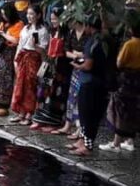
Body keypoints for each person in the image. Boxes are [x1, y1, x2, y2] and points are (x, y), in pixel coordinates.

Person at [70, 15, 109, 156]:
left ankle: (87, 146)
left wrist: (76, 65)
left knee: (87, 115)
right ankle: (83, 142)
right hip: (100, 82)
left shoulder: (92, 41)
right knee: (91, 115)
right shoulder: (104, 40)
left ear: (90, 26)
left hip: (89, 82)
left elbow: (88, 65)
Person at [101, 16, 140, 152]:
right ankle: (130, 140)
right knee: (132, 110)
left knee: (120, 110)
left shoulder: (130, 44)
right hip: (138, 80)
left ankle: (116, 143)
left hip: (127, 79)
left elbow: (119, 62)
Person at [30, 8, 71, 130]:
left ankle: (52, 122)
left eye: (55, 19)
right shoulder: (52, 32)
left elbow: (66, 51)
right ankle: (39, 119)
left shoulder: (67, 34)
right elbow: (46, 51)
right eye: (52, 19)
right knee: (42, 92)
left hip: (60, 67)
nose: (53, 21)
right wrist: (37, 48)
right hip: (48, 65)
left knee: (55, 94)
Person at [10, 4, 49, 125]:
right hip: (23, 57)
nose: (29, 16)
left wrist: (36, 46)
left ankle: (29, 113)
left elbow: (44, 50)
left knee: (31, 86)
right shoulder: (25, 29)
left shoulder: (42, 30)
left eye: (32, 14)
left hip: (34, 59)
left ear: (38, 15)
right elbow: (20, 45)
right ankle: (21, 112)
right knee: (20, 85)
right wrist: (16, 60)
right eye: (28, 14)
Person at [52, 19, 88, 137]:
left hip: (84, 68)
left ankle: (79, 129)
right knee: (71, 97)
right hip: (74, 68)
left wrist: (77, 54)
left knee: (80, 98)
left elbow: (87, 54)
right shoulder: (71, 33)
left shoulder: (87, 33)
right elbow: (66, 51)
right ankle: (67, 125)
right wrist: (76, 55)